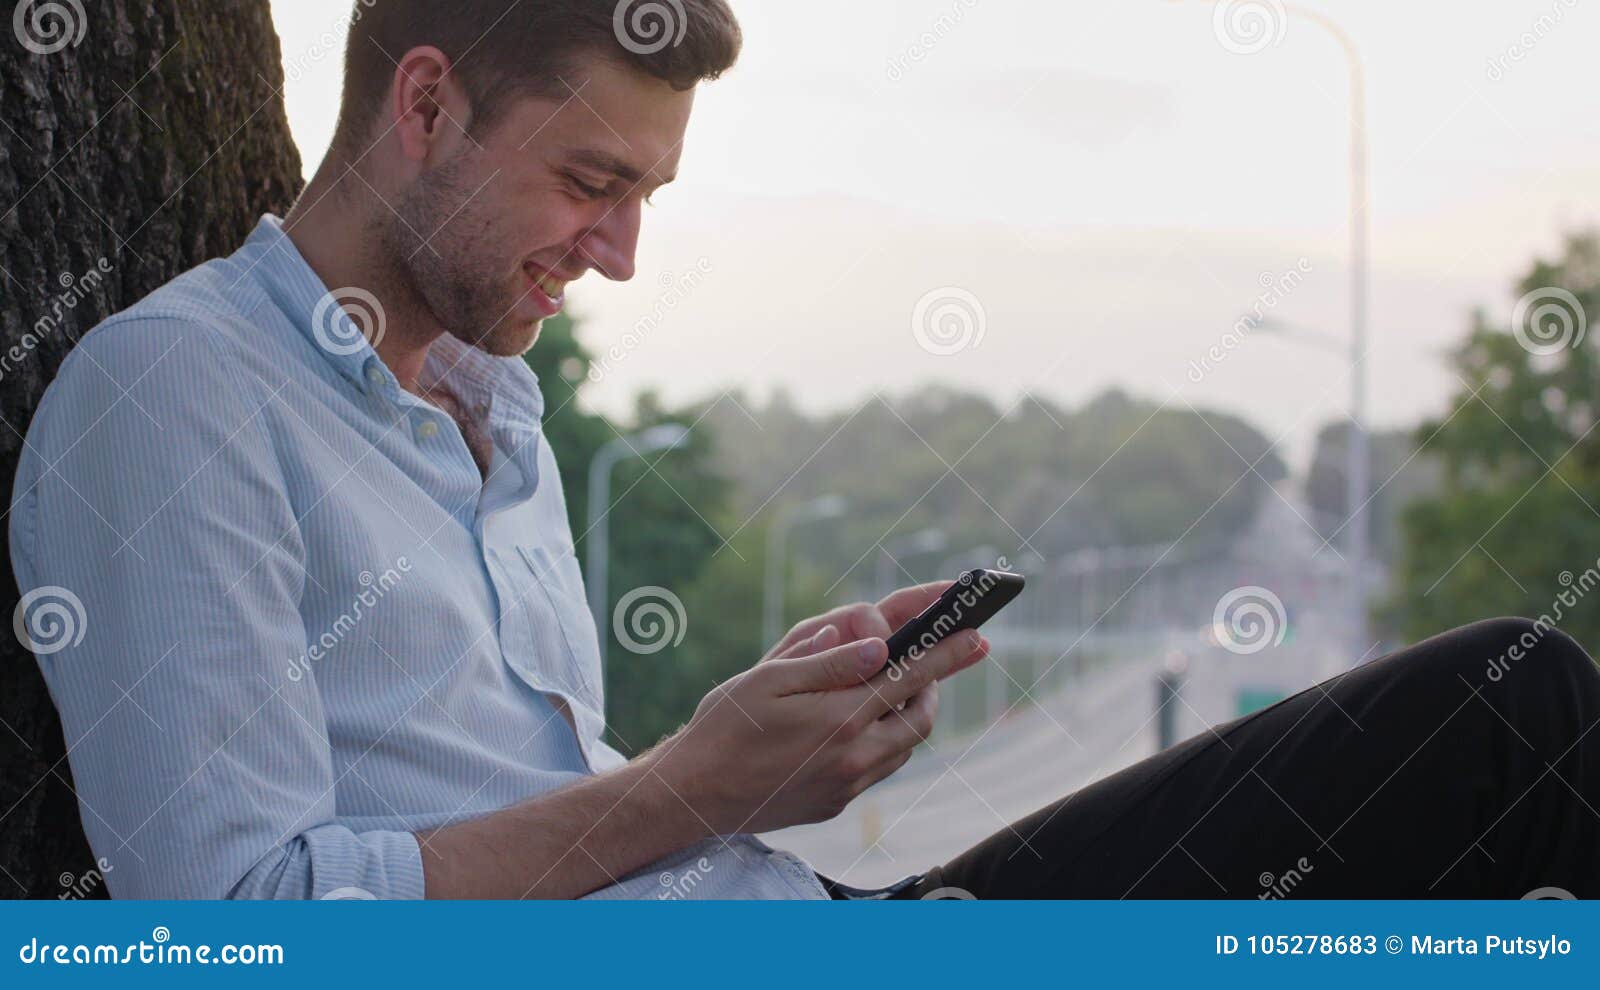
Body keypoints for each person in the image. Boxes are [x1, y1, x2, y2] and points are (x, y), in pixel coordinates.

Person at [10, 0, 1599, 901]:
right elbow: (236, 929)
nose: (619, 251)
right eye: (590, 178)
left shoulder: (496, 424)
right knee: (1505, 721)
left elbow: (536, 814)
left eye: (646, 197)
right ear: (424, 104)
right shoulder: (179, 393)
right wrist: (698, 788)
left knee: (1500, 719)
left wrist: (744, 741)